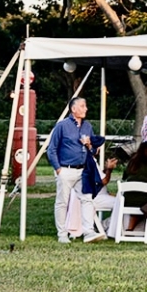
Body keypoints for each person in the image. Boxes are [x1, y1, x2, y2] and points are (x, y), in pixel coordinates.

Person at [47, 97, 100, 244]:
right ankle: (62, 234)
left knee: (87, 199)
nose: (86, 109)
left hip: (83, 170)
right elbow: (51, 149)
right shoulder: (62, 126)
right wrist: (58, 169)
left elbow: (94, 150)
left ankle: (88, 232)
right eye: (82, 106)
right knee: (62, 202)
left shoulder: (88, 126)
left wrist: (89, 145)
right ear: (73, 109)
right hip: (65, 169)